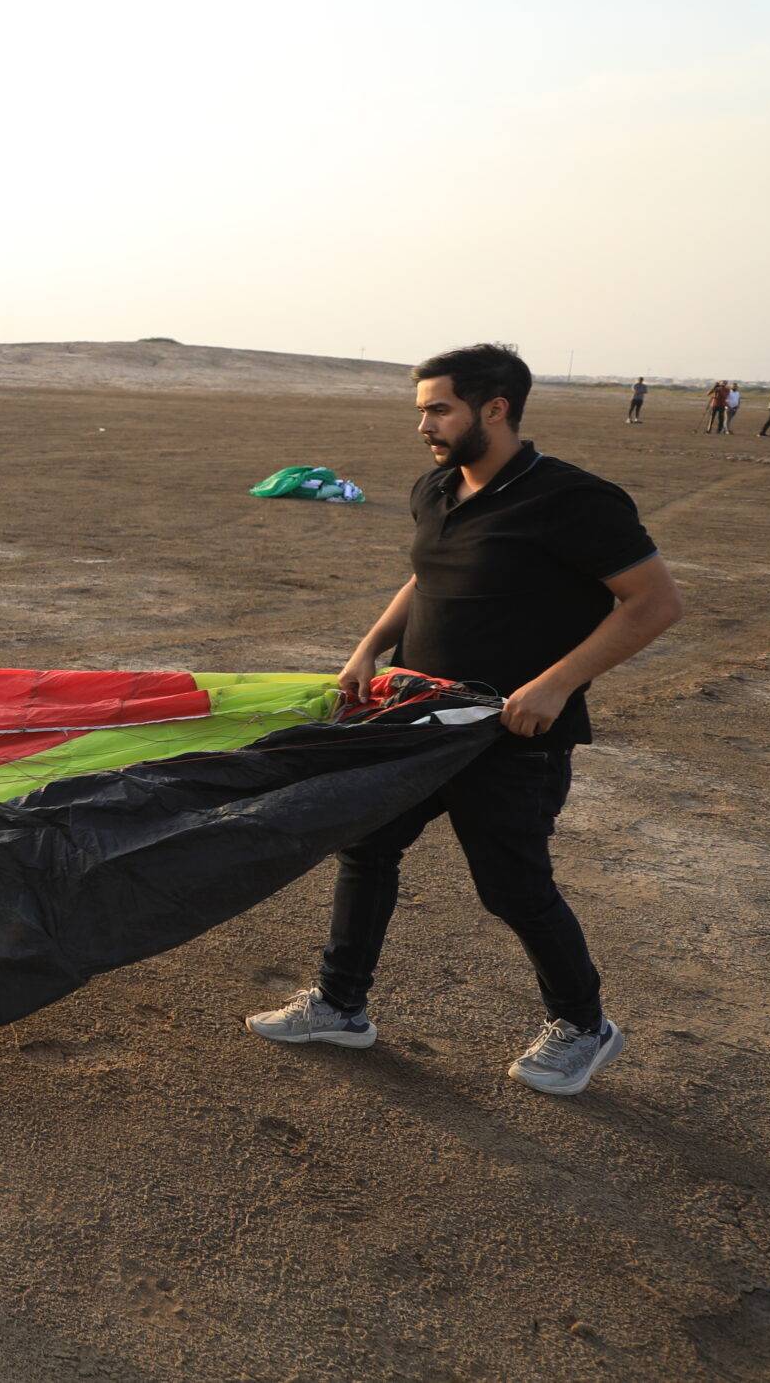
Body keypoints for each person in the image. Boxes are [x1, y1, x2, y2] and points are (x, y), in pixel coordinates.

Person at [245, 343, 683, 1096]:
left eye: (438, 408)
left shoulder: (573, 499)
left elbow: (655, 602)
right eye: (421, 408)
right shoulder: (436, 489)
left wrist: (554, 685)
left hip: (511, 736)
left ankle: (584, 1025)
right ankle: (342, 1004)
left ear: (495, 408)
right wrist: (369, 647)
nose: (424, 423)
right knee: (366, 843)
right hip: (418, 718)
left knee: (512, 887)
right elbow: (427, 575)